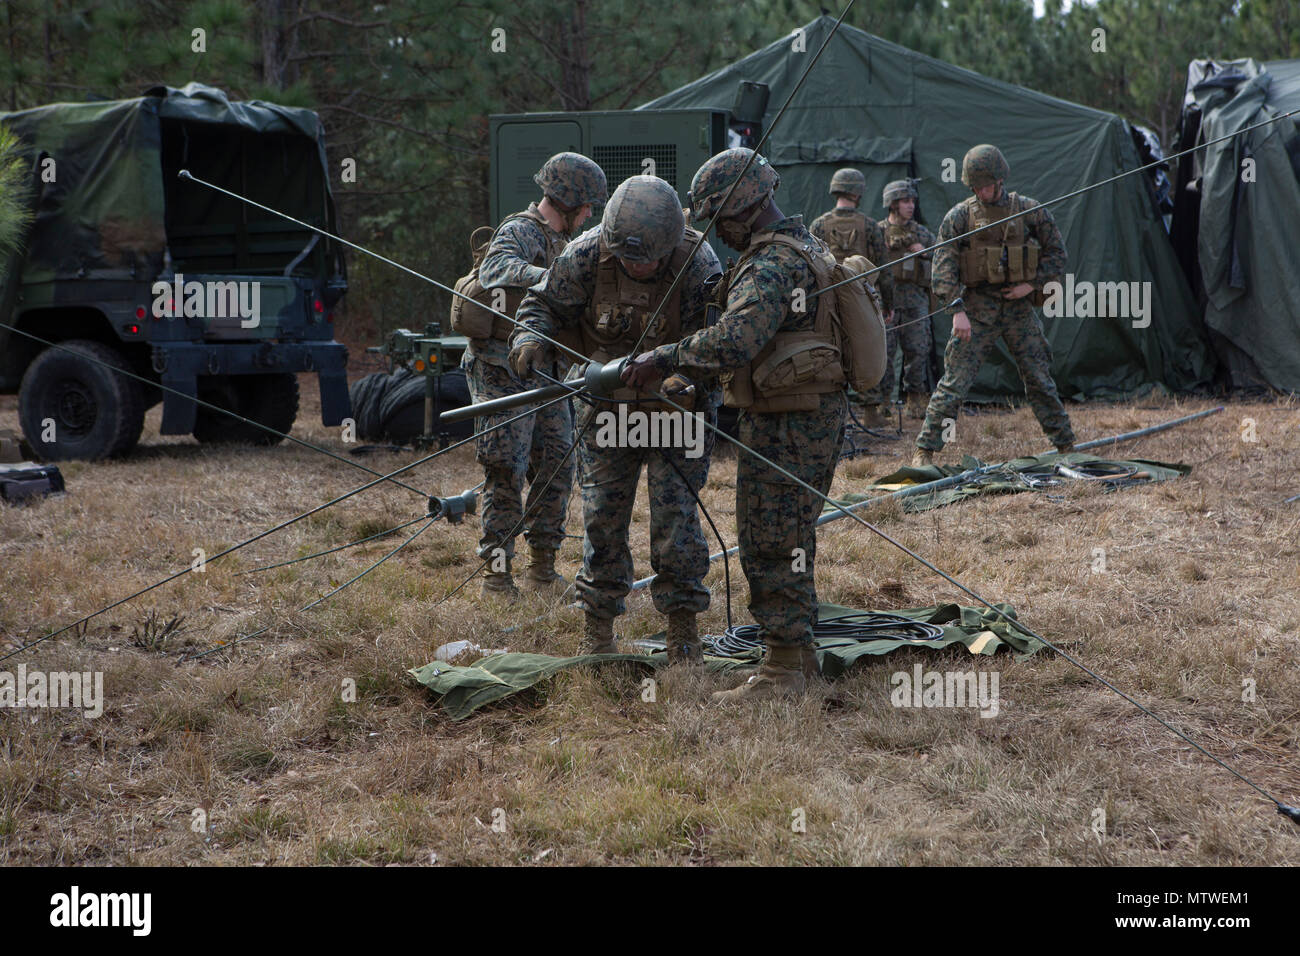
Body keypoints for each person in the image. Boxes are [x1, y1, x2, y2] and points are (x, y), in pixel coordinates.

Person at [624, 148, 846, 700]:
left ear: (742, 208)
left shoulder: (771, 263)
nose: (717, 234)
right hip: (807, 414)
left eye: (718, 220)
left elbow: (735, 340)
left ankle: (783, 671)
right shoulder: (805, 245)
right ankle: (798, 656)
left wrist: (665, 359)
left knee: (770, 538)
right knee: (792, 536)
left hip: (789, 423)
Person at [509, 175, 722, 662]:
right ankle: (598, 631)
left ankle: (683, 631)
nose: (633, 266)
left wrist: (685, 376)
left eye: (644, 259)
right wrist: (529, 339)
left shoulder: (698, 262)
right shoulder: (585, 253)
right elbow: (541, 303)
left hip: (676, 411)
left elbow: (719, 341)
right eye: (625, 258)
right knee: (602, 517)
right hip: (609, 409)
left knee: (677, 519)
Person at [464, 152, 607, 597]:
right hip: (501, 369)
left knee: (557, 465)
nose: (588, 215)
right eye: (585, 206)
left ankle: (542, 569)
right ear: (566, 199)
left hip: (549, 372)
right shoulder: (519, 231)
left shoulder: (568, 241)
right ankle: (497, 574)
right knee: (506, 467)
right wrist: (554, 277)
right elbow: (495, 269)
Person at [912, 145, 1075, 466]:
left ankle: (1066, 445)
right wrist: (957, 310)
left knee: (1039, 378)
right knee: (955, 384)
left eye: (986, 185)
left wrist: (1032, 284)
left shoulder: (1028, 210)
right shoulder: (959, 216)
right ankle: (926, 450)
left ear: (1000, 180)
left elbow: (1057, 253)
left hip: (1017, 308)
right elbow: (943, 265)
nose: (981, 192)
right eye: (975, 187)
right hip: (976, 307)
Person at [809, 167, 895, 424]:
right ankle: (870, 412)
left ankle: (832, 412)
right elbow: (883, 269)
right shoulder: (870, 226)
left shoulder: (818, 224)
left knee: (830, 350)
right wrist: (889, 304)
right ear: (858, 193)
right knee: (863, 348)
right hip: (862, 300)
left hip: (827, 301)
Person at [879, 179, 937, 418]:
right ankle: (883, 403)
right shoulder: (878, 231)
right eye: (905, 201)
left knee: (918, 351)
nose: (910, 206)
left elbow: (941, 255)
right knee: (884, 354)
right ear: (892, 204)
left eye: (912, 201)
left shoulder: (921, 233)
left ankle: (915, 401)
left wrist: (923, 252)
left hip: (915, 301)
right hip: (886, 301)